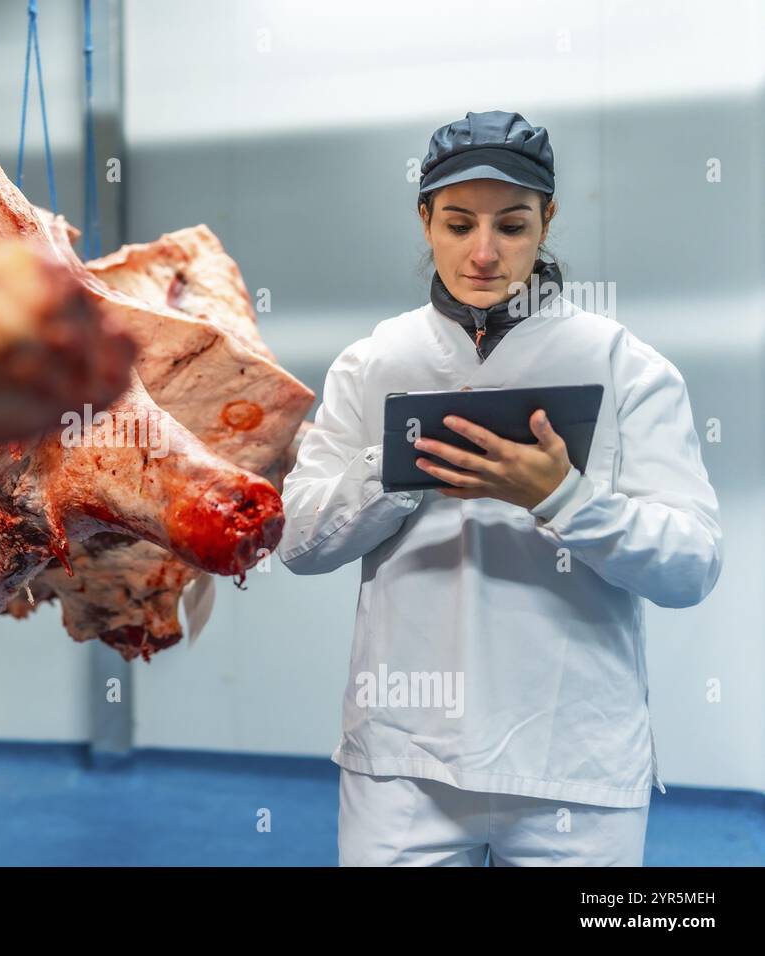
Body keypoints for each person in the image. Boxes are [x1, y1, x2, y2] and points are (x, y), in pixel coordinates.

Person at [277, 110, 723, 866]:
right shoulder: (373, 364)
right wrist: (395, 471)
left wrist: (564, 498)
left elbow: (691, 567)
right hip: (403, 764)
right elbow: (295, 543)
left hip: (574, 768)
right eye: (458, 224)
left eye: (512, 226)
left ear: (548, 220)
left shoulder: (625, 367)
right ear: (424, 220)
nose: (483, 253)